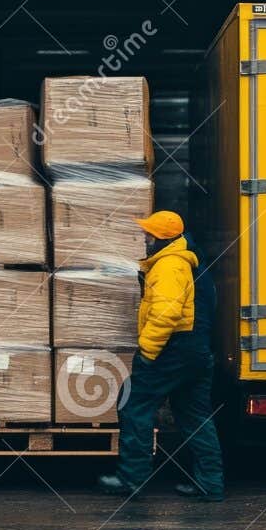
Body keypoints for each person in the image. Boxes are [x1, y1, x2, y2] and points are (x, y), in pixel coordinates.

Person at [97, 210, 225, 500]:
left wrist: (147, 351)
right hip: (196, 350)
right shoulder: (188, 261)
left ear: (161, 238)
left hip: (173, 349)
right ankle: (211, 484)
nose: (145, 237)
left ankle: (131, 478)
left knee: (134, 404)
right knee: (195, 416)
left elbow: (166, 314)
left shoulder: (169, 266)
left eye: (149, 234)